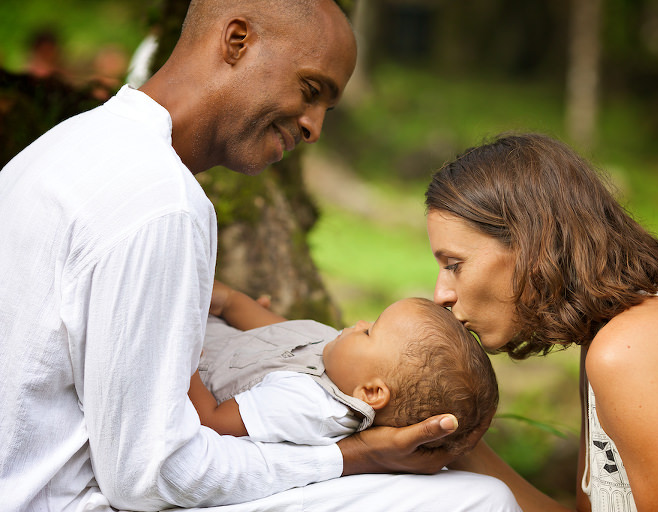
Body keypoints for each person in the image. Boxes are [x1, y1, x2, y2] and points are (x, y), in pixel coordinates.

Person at [0, 1, 520, 510]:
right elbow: (151, 478)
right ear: (237, 41)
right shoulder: (162, 202)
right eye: (311, 90)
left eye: (327, 109)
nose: (315, 126)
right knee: (480, 498)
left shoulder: (69, 145)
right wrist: (355, 455)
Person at [424, 132, 658, 511]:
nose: (441, 294)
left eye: (455, 265)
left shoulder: (628, 353)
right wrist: (461, 445)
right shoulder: (622, 330)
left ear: (531, 246)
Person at [189, 281, 499, 457]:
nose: (360, 323)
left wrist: (181, 357)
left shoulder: (308, 405)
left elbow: (211, 422)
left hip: (184, 370)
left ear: (371, 391)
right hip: (204, 328)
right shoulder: (338, 357)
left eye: (370, 331)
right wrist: (229, 301)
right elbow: (279, 331)